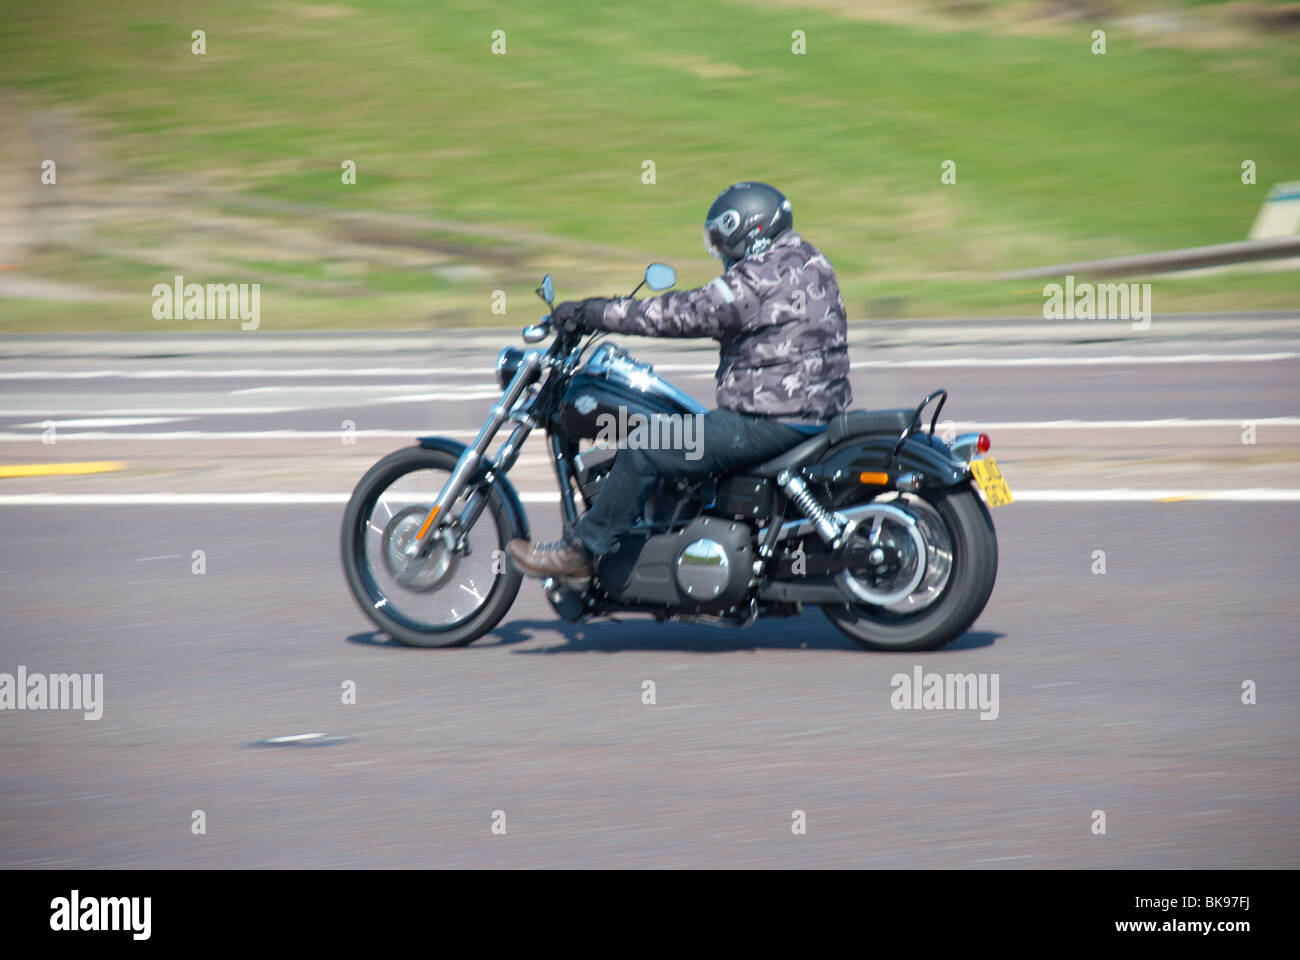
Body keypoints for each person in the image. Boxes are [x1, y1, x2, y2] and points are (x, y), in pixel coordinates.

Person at [507, 181, 852, 579]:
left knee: (645, 445)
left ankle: (581, 552)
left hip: (769, 420)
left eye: (725, 241)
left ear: (751, 230)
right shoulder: (809, 259)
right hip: (808, 412)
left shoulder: (759, 276)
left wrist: (594, 312)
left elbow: (683, 312)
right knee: (680, 432)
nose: (722, 251)